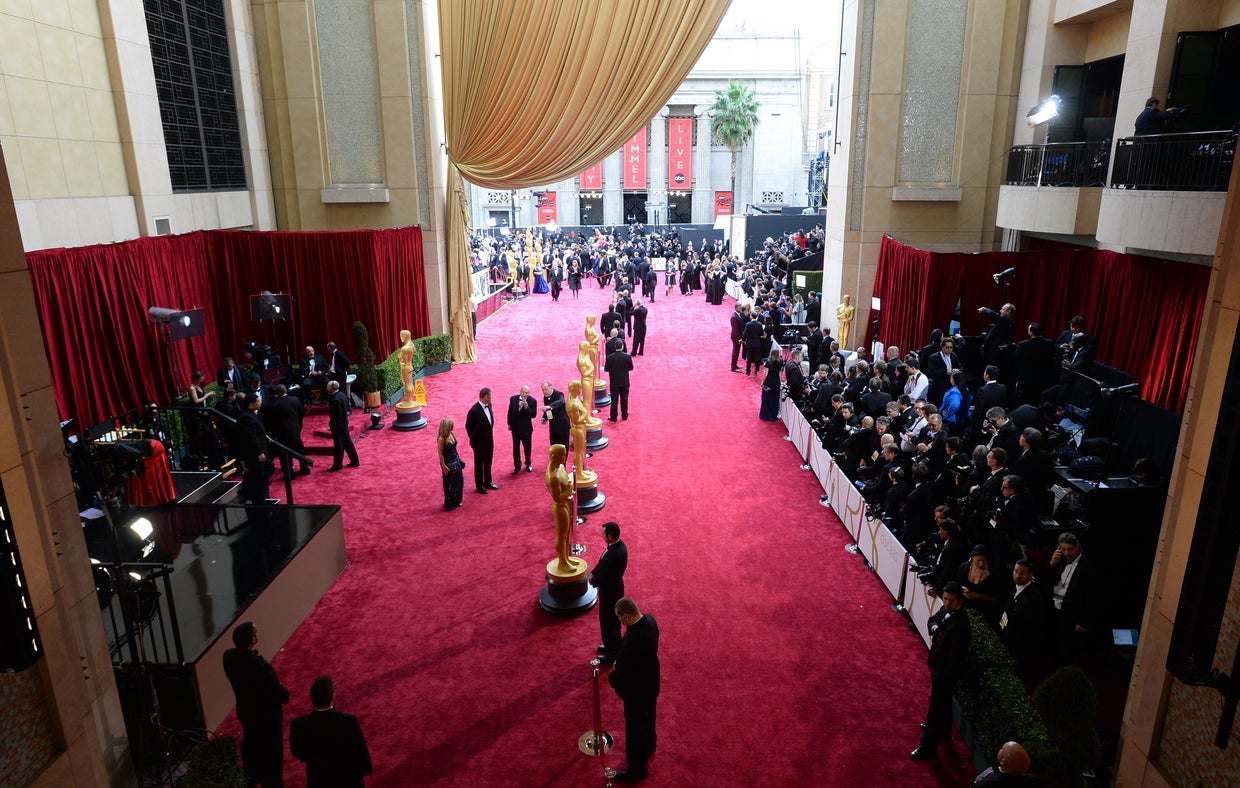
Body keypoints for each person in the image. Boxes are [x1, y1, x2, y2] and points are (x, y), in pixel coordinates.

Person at [222, 622, 289, 787]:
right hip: (267, 720)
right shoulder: (259, 666)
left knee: (252, 751)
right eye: (256, 632)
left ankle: (253, 777)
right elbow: (281, 694)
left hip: (247, 713)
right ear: (253, 640)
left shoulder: (229, 657)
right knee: (272, 763)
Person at [911, 581, 970, 761]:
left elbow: (955, 657)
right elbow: (932, 620)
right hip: (938, 665)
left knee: (936, 707)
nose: (946, 603)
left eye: (951, 600)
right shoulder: (946, 610)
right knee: (942, 704)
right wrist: (935, 628)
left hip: (946, 672)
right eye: (944, 599)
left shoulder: (961, 625)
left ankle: (928, 748)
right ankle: (944, 730)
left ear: (959, 601)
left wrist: (943, 676)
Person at [608, 597, 660, 783]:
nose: (620, 622)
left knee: (634, 731)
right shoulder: (651, 621)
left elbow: (621, 675)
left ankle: (637, 770)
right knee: (649, 716)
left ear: (628, 616)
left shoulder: (632, 642)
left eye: (620, 618)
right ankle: (650, 744)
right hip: (652, 684)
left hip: (636, 694)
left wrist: (612, 676)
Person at [289, 675, 373, 788]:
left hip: (317, 779)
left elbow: (296, 751)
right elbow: (359, 749)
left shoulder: (299, 725)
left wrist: (316, 760)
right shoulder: (348, 721)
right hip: (348, 780)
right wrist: (366, 769)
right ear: (333, 696)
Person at [589, 522, 628, 665]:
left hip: (611, 594)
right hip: (612, 590)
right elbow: (602, 563)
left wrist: (593, 582)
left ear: (610, 536)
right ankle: (610, 646)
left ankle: (612, 654)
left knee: (609, 623)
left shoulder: (615, 554)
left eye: (603, 534)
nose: (602, 535)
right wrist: (594, 572)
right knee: (610, 623)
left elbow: (606, 574)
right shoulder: (616, 546)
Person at [261, 384, 309, 479]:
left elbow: (274, 422)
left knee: (285, 455)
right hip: (295, 430)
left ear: (278, 393)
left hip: (282, 434)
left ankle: (289, 474)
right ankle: (305, 469)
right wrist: (299, 427)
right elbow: (301, 415)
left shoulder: (276, 404)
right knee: (300, 451)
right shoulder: (295, 399)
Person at [235, 392, 272, 504]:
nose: (260, 404)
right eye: (258, 402)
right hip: (255, 454)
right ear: (251, 405)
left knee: (266, 470)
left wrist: (264, 435)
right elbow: (250, 436)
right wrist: (259, 452)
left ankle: (250, 490)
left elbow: (255, 431)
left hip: (258, 451)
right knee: (261, 475)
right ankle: (256, 498)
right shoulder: (246, 417)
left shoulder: (249, 414)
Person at [545, 444, 577, 573]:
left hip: (567, 503)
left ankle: (566, 558)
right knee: (562, 535)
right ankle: (562, 561)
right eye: (562, 456)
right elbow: (557, 497)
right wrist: (569, 488)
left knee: (567, 533)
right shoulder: (553, 477)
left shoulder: (561, 466)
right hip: (560, 507)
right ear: (554, 457)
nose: (564, 458)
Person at [465, 387, 498, 494]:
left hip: (489, 440)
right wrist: (474, 440)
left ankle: (488, 481)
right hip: (478, 443)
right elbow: (468, 427)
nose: (492, 398)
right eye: (490, 396)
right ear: (485, 397)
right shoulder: (474, 411)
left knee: (488, 462)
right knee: (479, 464)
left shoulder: (489, 405)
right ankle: (479, 486)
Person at [972, 741, 1042, 786]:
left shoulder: (986, 783)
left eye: (1002, 749)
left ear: (1003, 763)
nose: (1000, 750)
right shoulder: (1035, 782)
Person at [326, 380, 359, 471]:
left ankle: (337, 465)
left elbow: (337, 415)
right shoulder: (342, 395)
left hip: (339, 427)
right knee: (348, 444)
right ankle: (355, 461)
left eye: (328, 387)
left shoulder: (335, 399)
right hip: (344, 424)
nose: (326, 388)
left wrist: (333, 425)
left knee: (339, 446)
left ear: (332, 388)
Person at [506, 385, 537, 474]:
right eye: (523, 392)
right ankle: (517, 466)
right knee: (516, 448)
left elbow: (533, 415)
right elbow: (510, 412)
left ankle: (528, 464)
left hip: (526, 429)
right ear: (520, 391)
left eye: (526, 393)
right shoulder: (513, 399)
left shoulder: (532, 401)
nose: (524, 394)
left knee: (527, 448)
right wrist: (509, 423)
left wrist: (527, 407)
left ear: (529, 393)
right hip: (515, 429)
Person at [437, 418, 464, 511]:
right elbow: (440, 453)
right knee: (450, 484)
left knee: (460, 481)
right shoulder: (441, 439)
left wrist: (459, 459)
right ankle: (450, 503)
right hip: (448, 463)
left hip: (456, 461)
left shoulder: (452, 434)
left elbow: (455, 449)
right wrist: (444, 466)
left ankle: (457, 500)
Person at [605, 340, 633, 422]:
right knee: (624, 398)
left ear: (615, 347)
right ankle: (624, 415)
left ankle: (613, 417)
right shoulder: (627, 356)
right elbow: (631, 368)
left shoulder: (610, 357)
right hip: (624, 381)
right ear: (622, 347)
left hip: (614, 382)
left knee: (614, 400)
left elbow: (606, 369)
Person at [541, 381, 570, 448]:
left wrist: (550, 406)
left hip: (562, 424)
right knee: (553, 443)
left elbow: (561, 401)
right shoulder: (545, 397)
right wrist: (544, 418)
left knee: (563, 445)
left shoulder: (559, 394)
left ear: (551, 387)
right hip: (553, 425)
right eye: (543, 390)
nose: (544, 392)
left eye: (546, 389)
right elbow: (547, 410)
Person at [759, 349, 782, 422]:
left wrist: (762, 382)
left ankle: (765, 415)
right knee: (774, 398)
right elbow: (780, 373)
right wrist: (780, 381)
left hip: (769, 381)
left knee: (766, 398)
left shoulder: (768, 362)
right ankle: (773, 415)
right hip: (776, 381)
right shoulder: (780, 361)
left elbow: (765, 374)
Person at [729, 303, 746, 372]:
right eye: (739, 308)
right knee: (735, 351)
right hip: (736, 337)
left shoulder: (737, 315)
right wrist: (739, 338)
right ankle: (733, 367)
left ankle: (735, 365)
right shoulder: (734, 317)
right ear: (735, 308)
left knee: (737, 351)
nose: (740, 309)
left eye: (741, 308)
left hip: (738, 336)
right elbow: (735, 330)